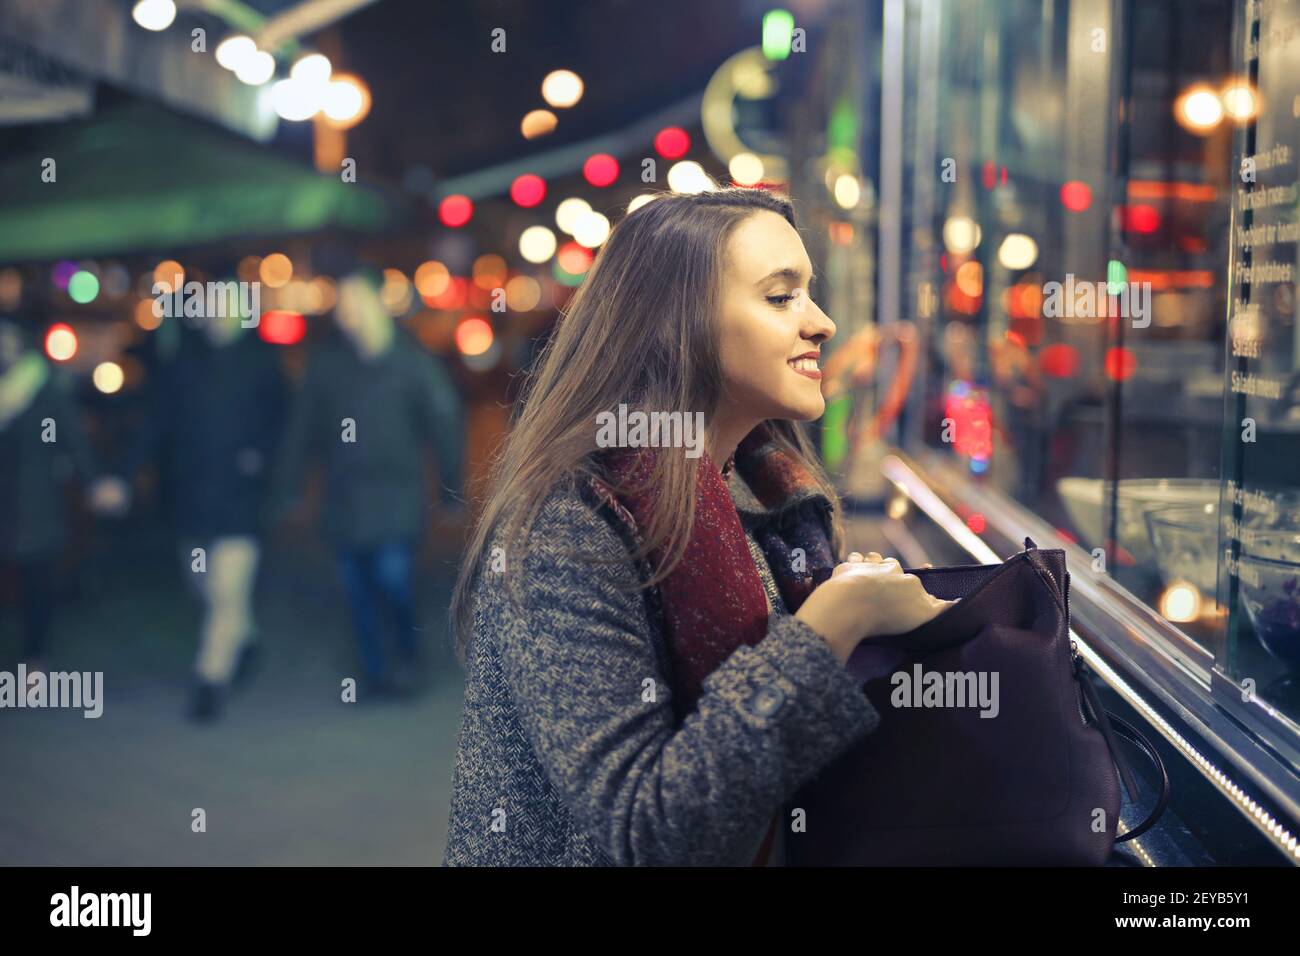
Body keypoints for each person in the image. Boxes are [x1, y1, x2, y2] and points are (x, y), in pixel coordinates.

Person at [442, 186, 955, 867]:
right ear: (678, 322)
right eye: (781, 297)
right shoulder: (572, 523)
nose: (823, 323)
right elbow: (651, 833)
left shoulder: (772, 507)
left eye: (810, 293)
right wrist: (834, 623)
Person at [274, 265, 464, 699]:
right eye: (342, 303)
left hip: (397, 496)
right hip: (345, 497)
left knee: (393, 579)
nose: (347, 311)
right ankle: (376, 673)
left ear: (379, 302)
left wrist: (452, 490)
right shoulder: (327, 366)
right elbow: (301, 430)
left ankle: (407, 660)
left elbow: (443, 426)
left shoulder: (412, 362)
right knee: (356, 588)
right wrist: (289, 486)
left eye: (355, 300)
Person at [108, 301, 287, 722]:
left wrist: (264, 461)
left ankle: (210, 678)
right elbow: (155, 424)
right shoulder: (183, 367)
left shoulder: (263, 364)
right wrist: (123, 475)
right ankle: (245, 639)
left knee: (228, 588)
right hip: (192, 505)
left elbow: (286, 424)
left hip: (242, 503)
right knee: (204, 585)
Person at [0, 317, 115, 673]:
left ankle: (36, 658)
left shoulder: (42, 384)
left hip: (36, 499)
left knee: (37, 582)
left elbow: (69, 435)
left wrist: (94, 481)